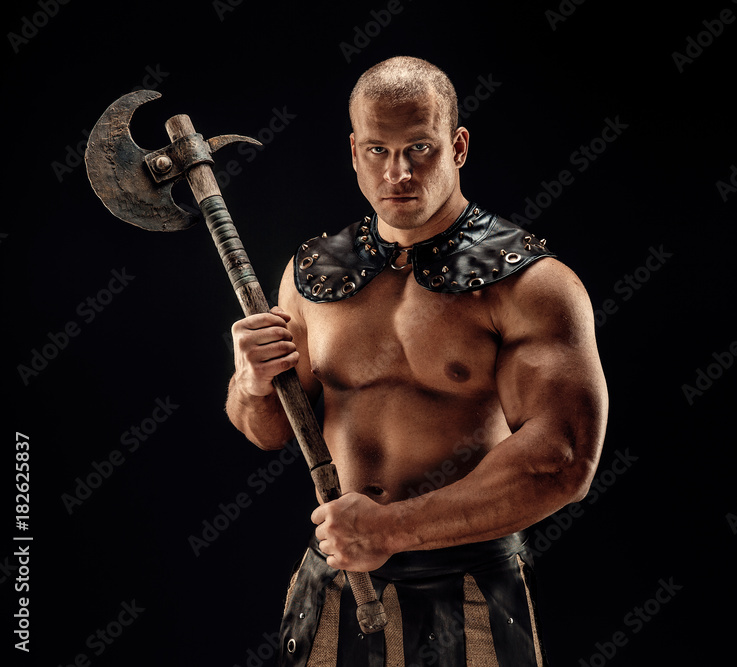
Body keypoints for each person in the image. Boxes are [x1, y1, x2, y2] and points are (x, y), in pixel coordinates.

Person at [225, 56, 608, 666]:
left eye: (419, 149)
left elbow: (560, 460)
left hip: (468, 584)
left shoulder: (532, 284)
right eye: (377, 150)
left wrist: (391, 529)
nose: (397, 172)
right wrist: (250, 383)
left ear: (457, 147)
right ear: (354, 151)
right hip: (334, 581)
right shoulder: (312, 275)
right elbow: (269, 431)